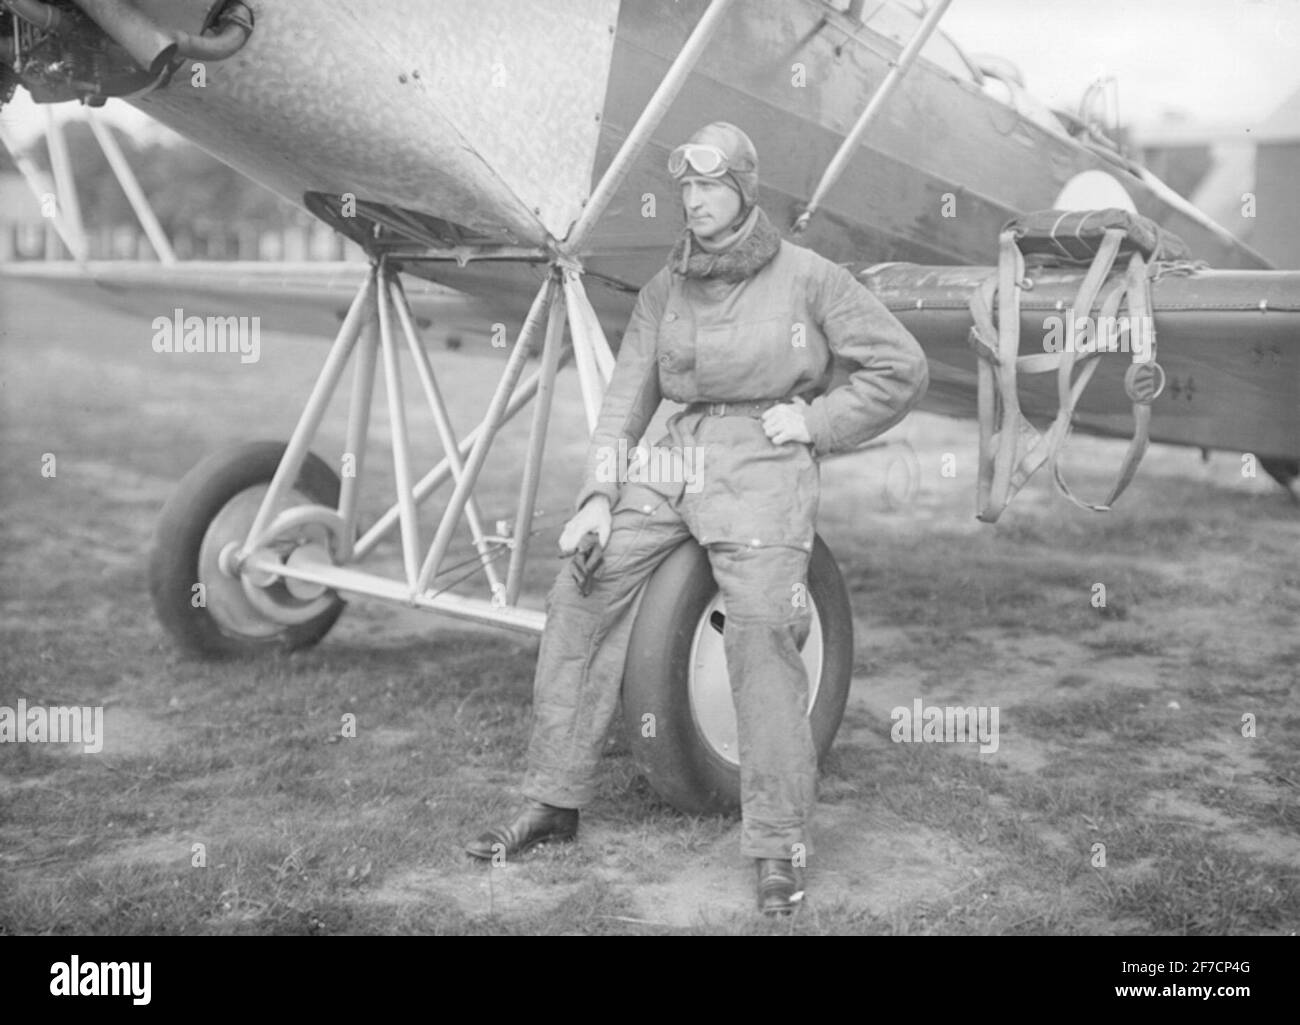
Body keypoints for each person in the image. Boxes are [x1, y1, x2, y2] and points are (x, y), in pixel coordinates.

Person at [466, 121, 929, 915]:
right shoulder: (665, 286)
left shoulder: (810, 277)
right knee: (583, 587)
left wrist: (815, 425)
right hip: (676, 456)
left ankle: (779, 842)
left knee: (757, 629)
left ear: (744, 191)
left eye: (709, 186)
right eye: (685, 188)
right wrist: (596, 501)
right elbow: (624, 404)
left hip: (762, 460)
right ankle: (553, 799)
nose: (694, 200)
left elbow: (902, 368)